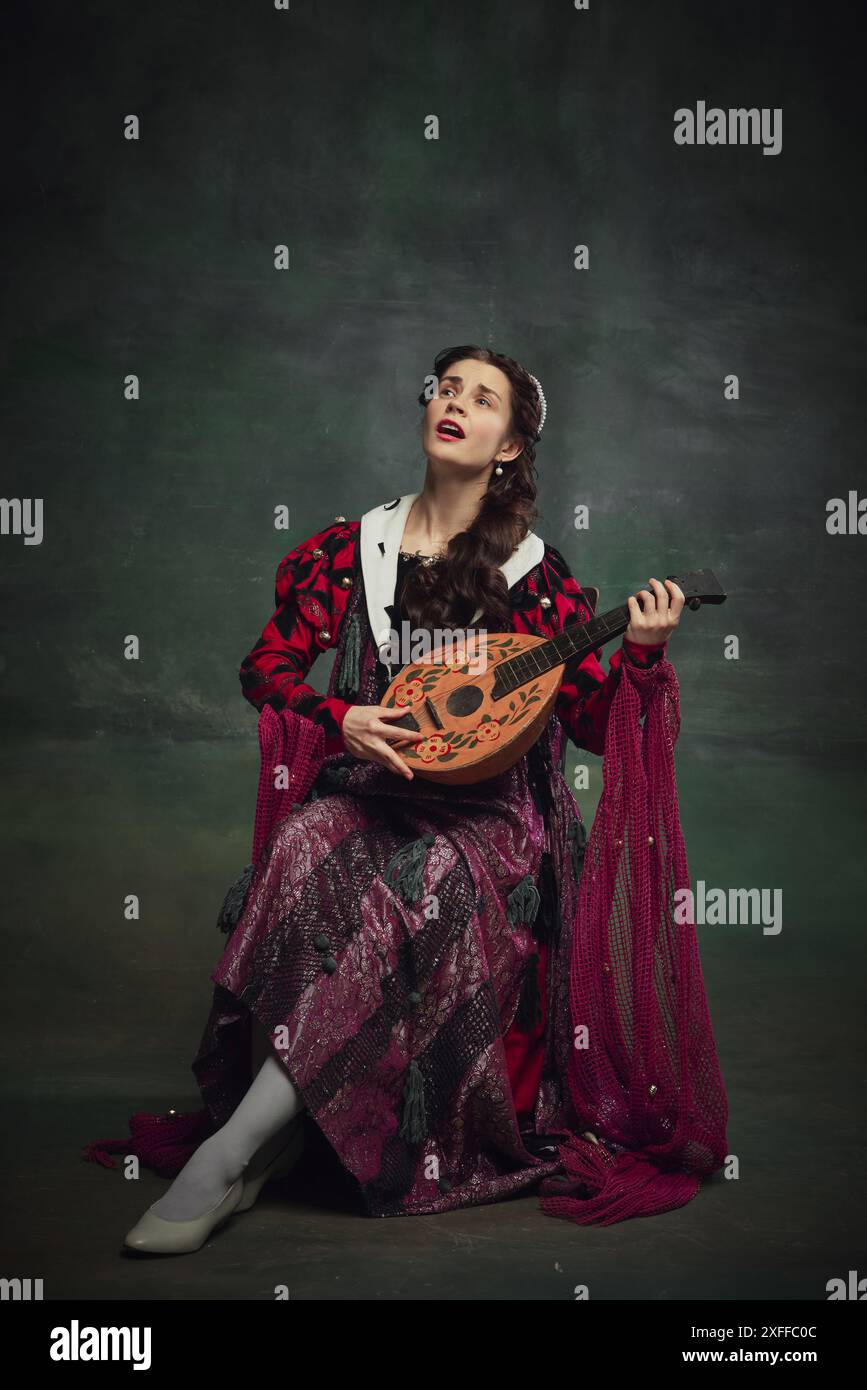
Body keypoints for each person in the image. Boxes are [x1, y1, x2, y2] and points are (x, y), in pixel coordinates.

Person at [86, 345, 727, 1254]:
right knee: (309, 839)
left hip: (490, 820)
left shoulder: (537, 574)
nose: (454, 403)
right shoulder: (350, 550)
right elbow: (264, 669)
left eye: (482, 398)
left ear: (510, 446)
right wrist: (339, 716)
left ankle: (231, 1156)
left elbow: (583, 720)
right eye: (446, 389)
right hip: (375, 786)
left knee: (419, 878)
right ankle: (272, 1132)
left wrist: (643, 654)